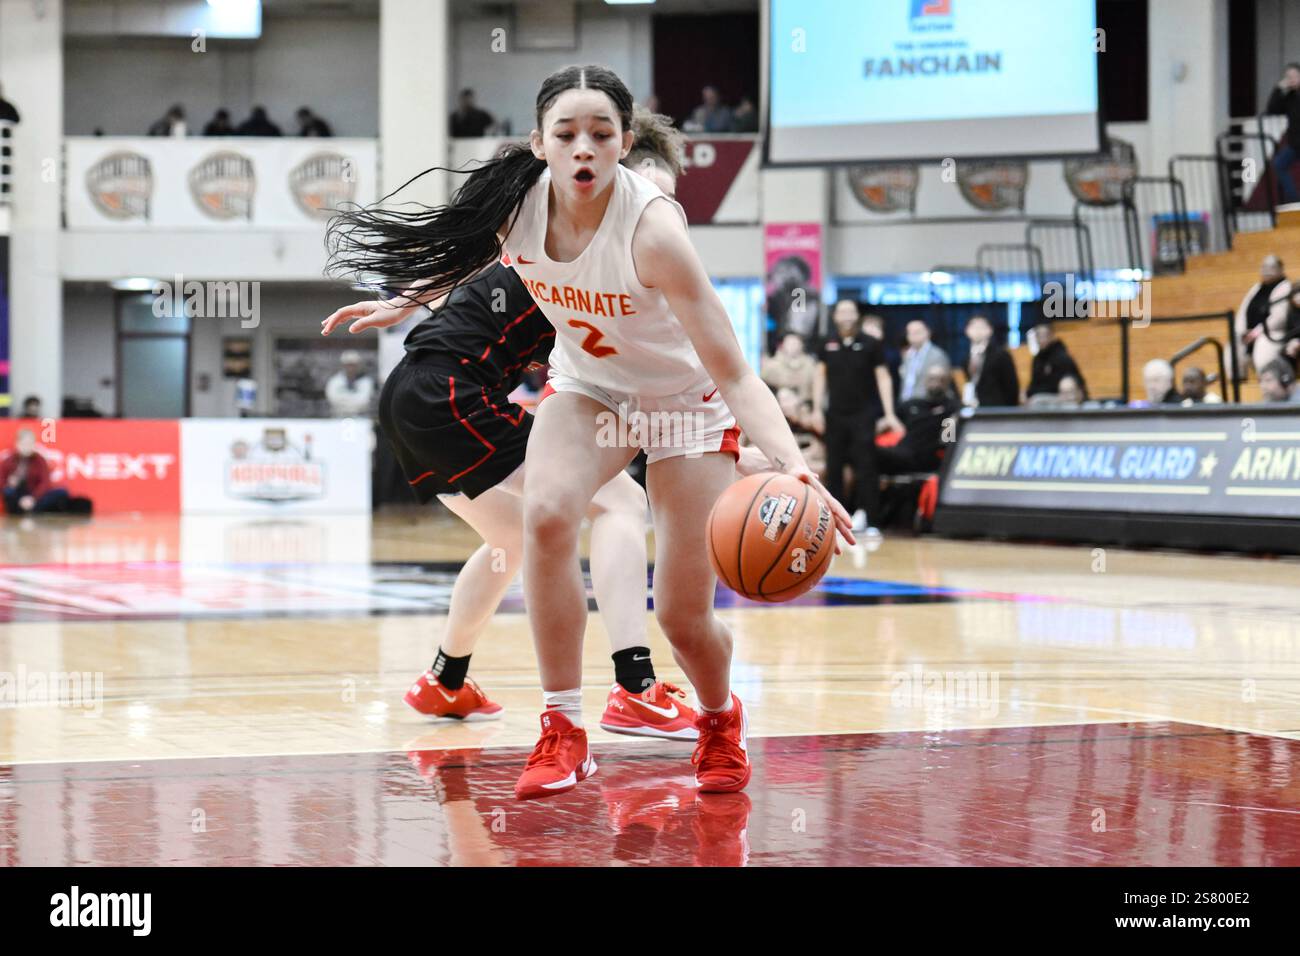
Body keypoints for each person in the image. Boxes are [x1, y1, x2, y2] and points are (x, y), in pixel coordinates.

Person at [325, 64, 853, 801]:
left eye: (601, 134)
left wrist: (797, 467)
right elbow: (471, 253)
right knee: (544, 517)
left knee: (682, 615)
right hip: (590, 389)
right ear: (539, 143)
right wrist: (405, 302)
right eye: (566, 133)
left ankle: (718, 720)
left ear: (624, 143)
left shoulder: (656, 231)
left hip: (684, 406)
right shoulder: (517, 205)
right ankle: (563, 729)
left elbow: (734, 374)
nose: (583, 148)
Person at [322, 113, 704, 740]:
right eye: (648, 192)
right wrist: (403, 300)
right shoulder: (568, 242)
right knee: (619, 502)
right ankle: (636, 686)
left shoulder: (600, 262)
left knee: (510, 539)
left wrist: (406, 300)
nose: (656, 210)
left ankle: (446, 680)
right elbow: (480, 256)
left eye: (667, 199)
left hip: (417, 397)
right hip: (448, 390)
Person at [813, 298, 902, 535]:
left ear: (857, 316)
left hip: (864, 415)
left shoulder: (871, 344)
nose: (846, 316)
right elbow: (819, 377)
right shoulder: (827, 343)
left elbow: (884, 378)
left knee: (866, 467)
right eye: (842, 312)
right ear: (835, 317)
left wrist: (890, 413)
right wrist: (816, 409)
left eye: (851, 311)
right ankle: (833, 522)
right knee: (835, 469)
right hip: (835, 415)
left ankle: (871, 521)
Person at [874, 365, 959, 475]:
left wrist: (953, 423)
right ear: (925, 381)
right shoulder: (912, 405)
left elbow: (948, 440)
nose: (936, 383)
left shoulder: (952, 409)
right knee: (862, 448)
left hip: (924, 458)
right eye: (932, 378)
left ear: (948, 383)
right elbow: (886, 421)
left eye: (941, 380)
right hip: (901, 452)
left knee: (868, 452)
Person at [1235, 255, 1293, 378]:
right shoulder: (1256, 288)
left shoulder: (1285, 287)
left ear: (1281, 269)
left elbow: (1278, 318)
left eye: (1272, 267)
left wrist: (1255, 333)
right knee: (1233, 347)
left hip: (1273, 333)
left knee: (1263, 346)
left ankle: (1266, 381)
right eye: (1264, 267)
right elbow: (1242, 312)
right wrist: (1242, 332)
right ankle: (1237, 383)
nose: (1267, 270)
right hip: (1248, 334)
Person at [2, 429, 69, 515]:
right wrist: (10, 484)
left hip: (34, 496)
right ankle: (27, 509)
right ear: (17, 443)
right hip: (17, 497)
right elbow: (2, 483)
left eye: (29, 443)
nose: (27, 447)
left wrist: (33, 498)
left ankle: (30, 509)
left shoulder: (39, 460)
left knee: (62, 492)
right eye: (24, 443)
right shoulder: (9, 461)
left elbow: (45, 483)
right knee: (8, 492)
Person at [962, 314, 1019, 408]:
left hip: (997, 409)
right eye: (973, 327)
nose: (977, 331)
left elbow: (1012, 387)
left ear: (990, 330)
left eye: (981, 327)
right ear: (967, 331)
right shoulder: (966, 358)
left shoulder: (1001, 355)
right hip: (974, 408)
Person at [1266, 63, 1300, 204]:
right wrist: (1278, 89)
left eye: (1294, 76)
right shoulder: (1290, 97)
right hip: (1295, 143)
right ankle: (1295, 201)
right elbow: (1272, 109)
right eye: (1288, 77)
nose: (1291, 79)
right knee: (1279, 164)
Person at [1026, 321, 1088, 399]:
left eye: (1044, 336)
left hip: (1061, 398)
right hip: (1042, 396)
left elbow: (1068, 384)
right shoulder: (1037, 360)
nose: (1041, 340)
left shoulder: (1061, 357)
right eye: (1038, 336)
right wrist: (1028, 393)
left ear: (1052, 336)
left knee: (1037, 400)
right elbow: (1034, 383)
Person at [897, 319, 951, 402]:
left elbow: (941, 385)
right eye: (910, 332)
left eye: (917, 332)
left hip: (927, 405)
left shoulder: (937, 355)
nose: (913, 335)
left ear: (928, 333)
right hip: (905, 404)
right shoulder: (908, 355)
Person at [760, 332, 816, 407]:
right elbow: (763, 380)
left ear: (801, 345)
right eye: (790, 343)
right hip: (778, 404)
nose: (793, 346)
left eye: (796, 343)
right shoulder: (773, 364)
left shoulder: (809, 364)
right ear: (782, 345)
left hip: (804, 405)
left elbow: (813, 386)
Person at [324, 350, 374, 418]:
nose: (351, 368)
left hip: (360, 418)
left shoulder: (366, 381)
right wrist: (353, 400)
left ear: (358, 365)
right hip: (337, 417)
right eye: (348, 365)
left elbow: (364, 400)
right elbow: (333, 398)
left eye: (353, 365)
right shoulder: (335, 381)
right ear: (343, 365)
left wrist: (343, 399)